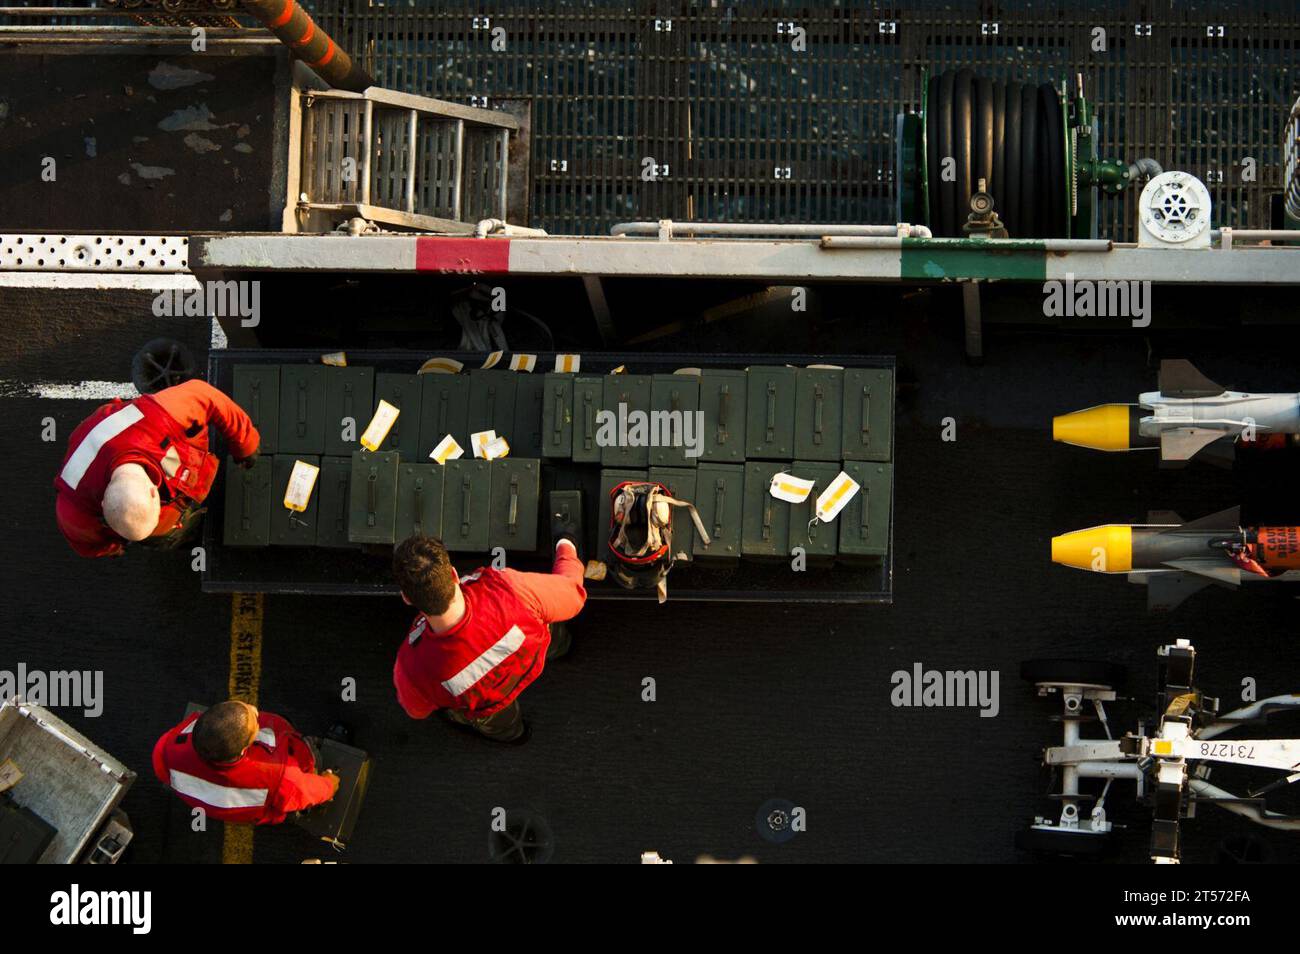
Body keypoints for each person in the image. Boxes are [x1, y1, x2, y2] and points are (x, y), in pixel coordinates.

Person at [391, 529, 587, 744]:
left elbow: (417, 711)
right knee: (553, 634)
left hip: (492, 703)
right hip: (531, 658)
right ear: (454, 574)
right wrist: (566, 544)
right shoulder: (511, 591)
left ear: (406, 598)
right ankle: (562, 649)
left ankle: (517, 737)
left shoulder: (411, 667)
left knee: (503, 726)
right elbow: (572, 595)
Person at [54, 378, 259, 557]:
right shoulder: (73, 508)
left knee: (167, 530)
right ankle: (183, 536)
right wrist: (111, 547)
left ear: (154, 492)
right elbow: (85, 541)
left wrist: (245, 443)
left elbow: (206, 395)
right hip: (166, 473)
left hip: (160, 435)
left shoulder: (161, 414)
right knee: (167, 535)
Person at [152, 701, 339, 825]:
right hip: (264, 808)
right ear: (244, 749)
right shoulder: (280, 776)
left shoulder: (170, 746)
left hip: (217, 806)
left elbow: (163, 772)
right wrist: (330, 782)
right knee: (308, 755)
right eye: (253, 717)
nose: (253, 708)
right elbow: (310, 790)